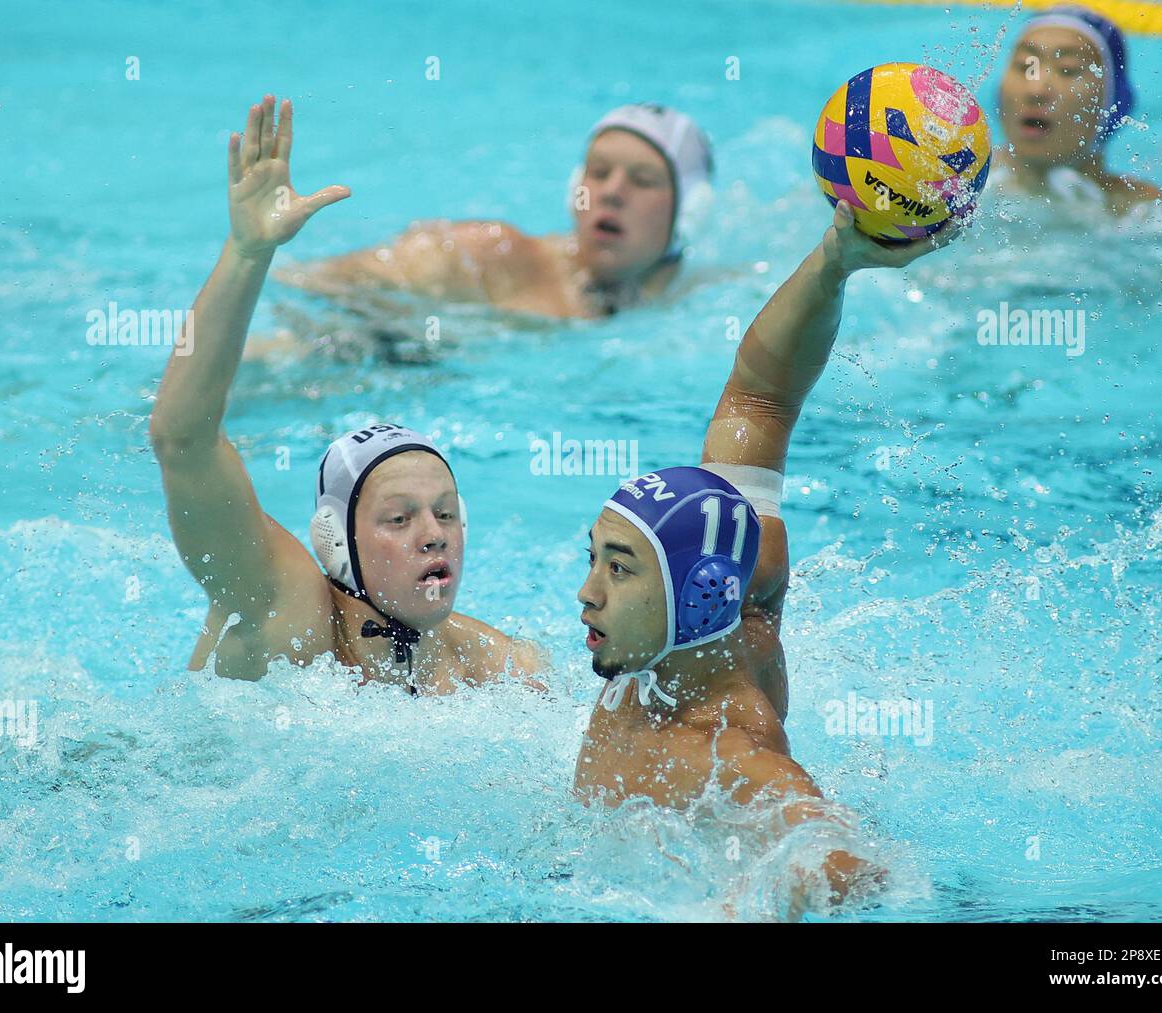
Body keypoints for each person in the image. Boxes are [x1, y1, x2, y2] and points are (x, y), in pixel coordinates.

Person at [573, 199, 956, 911]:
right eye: (593, 559)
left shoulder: (729, 752)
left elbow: (859, 863)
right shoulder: (719, 593)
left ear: (699, 595)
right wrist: (834, 261)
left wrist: (768, 894)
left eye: (619, 568)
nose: (587, 593)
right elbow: (760, 397)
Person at [150, 94, 543, 691]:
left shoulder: (499, 667)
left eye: (444, 513)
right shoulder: (287, 613)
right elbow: (182, 439)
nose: (433, 534)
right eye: (398, 517)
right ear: (337, 543)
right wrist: (247, 253)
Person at [275, 103, 714, 320]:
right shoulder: (493, 254)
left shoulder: (700, 300)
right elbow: (308, 280)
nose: (612, 193)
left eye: (643, 180)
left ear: (689, 210)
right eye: (598, 173)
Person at [995, 5, 1162, 215]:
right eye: (1024, 66)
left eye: (1067, 69)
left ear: (1112, 103)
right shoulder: (953, 180)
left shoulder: (1149, 214)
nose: (1036, 89)